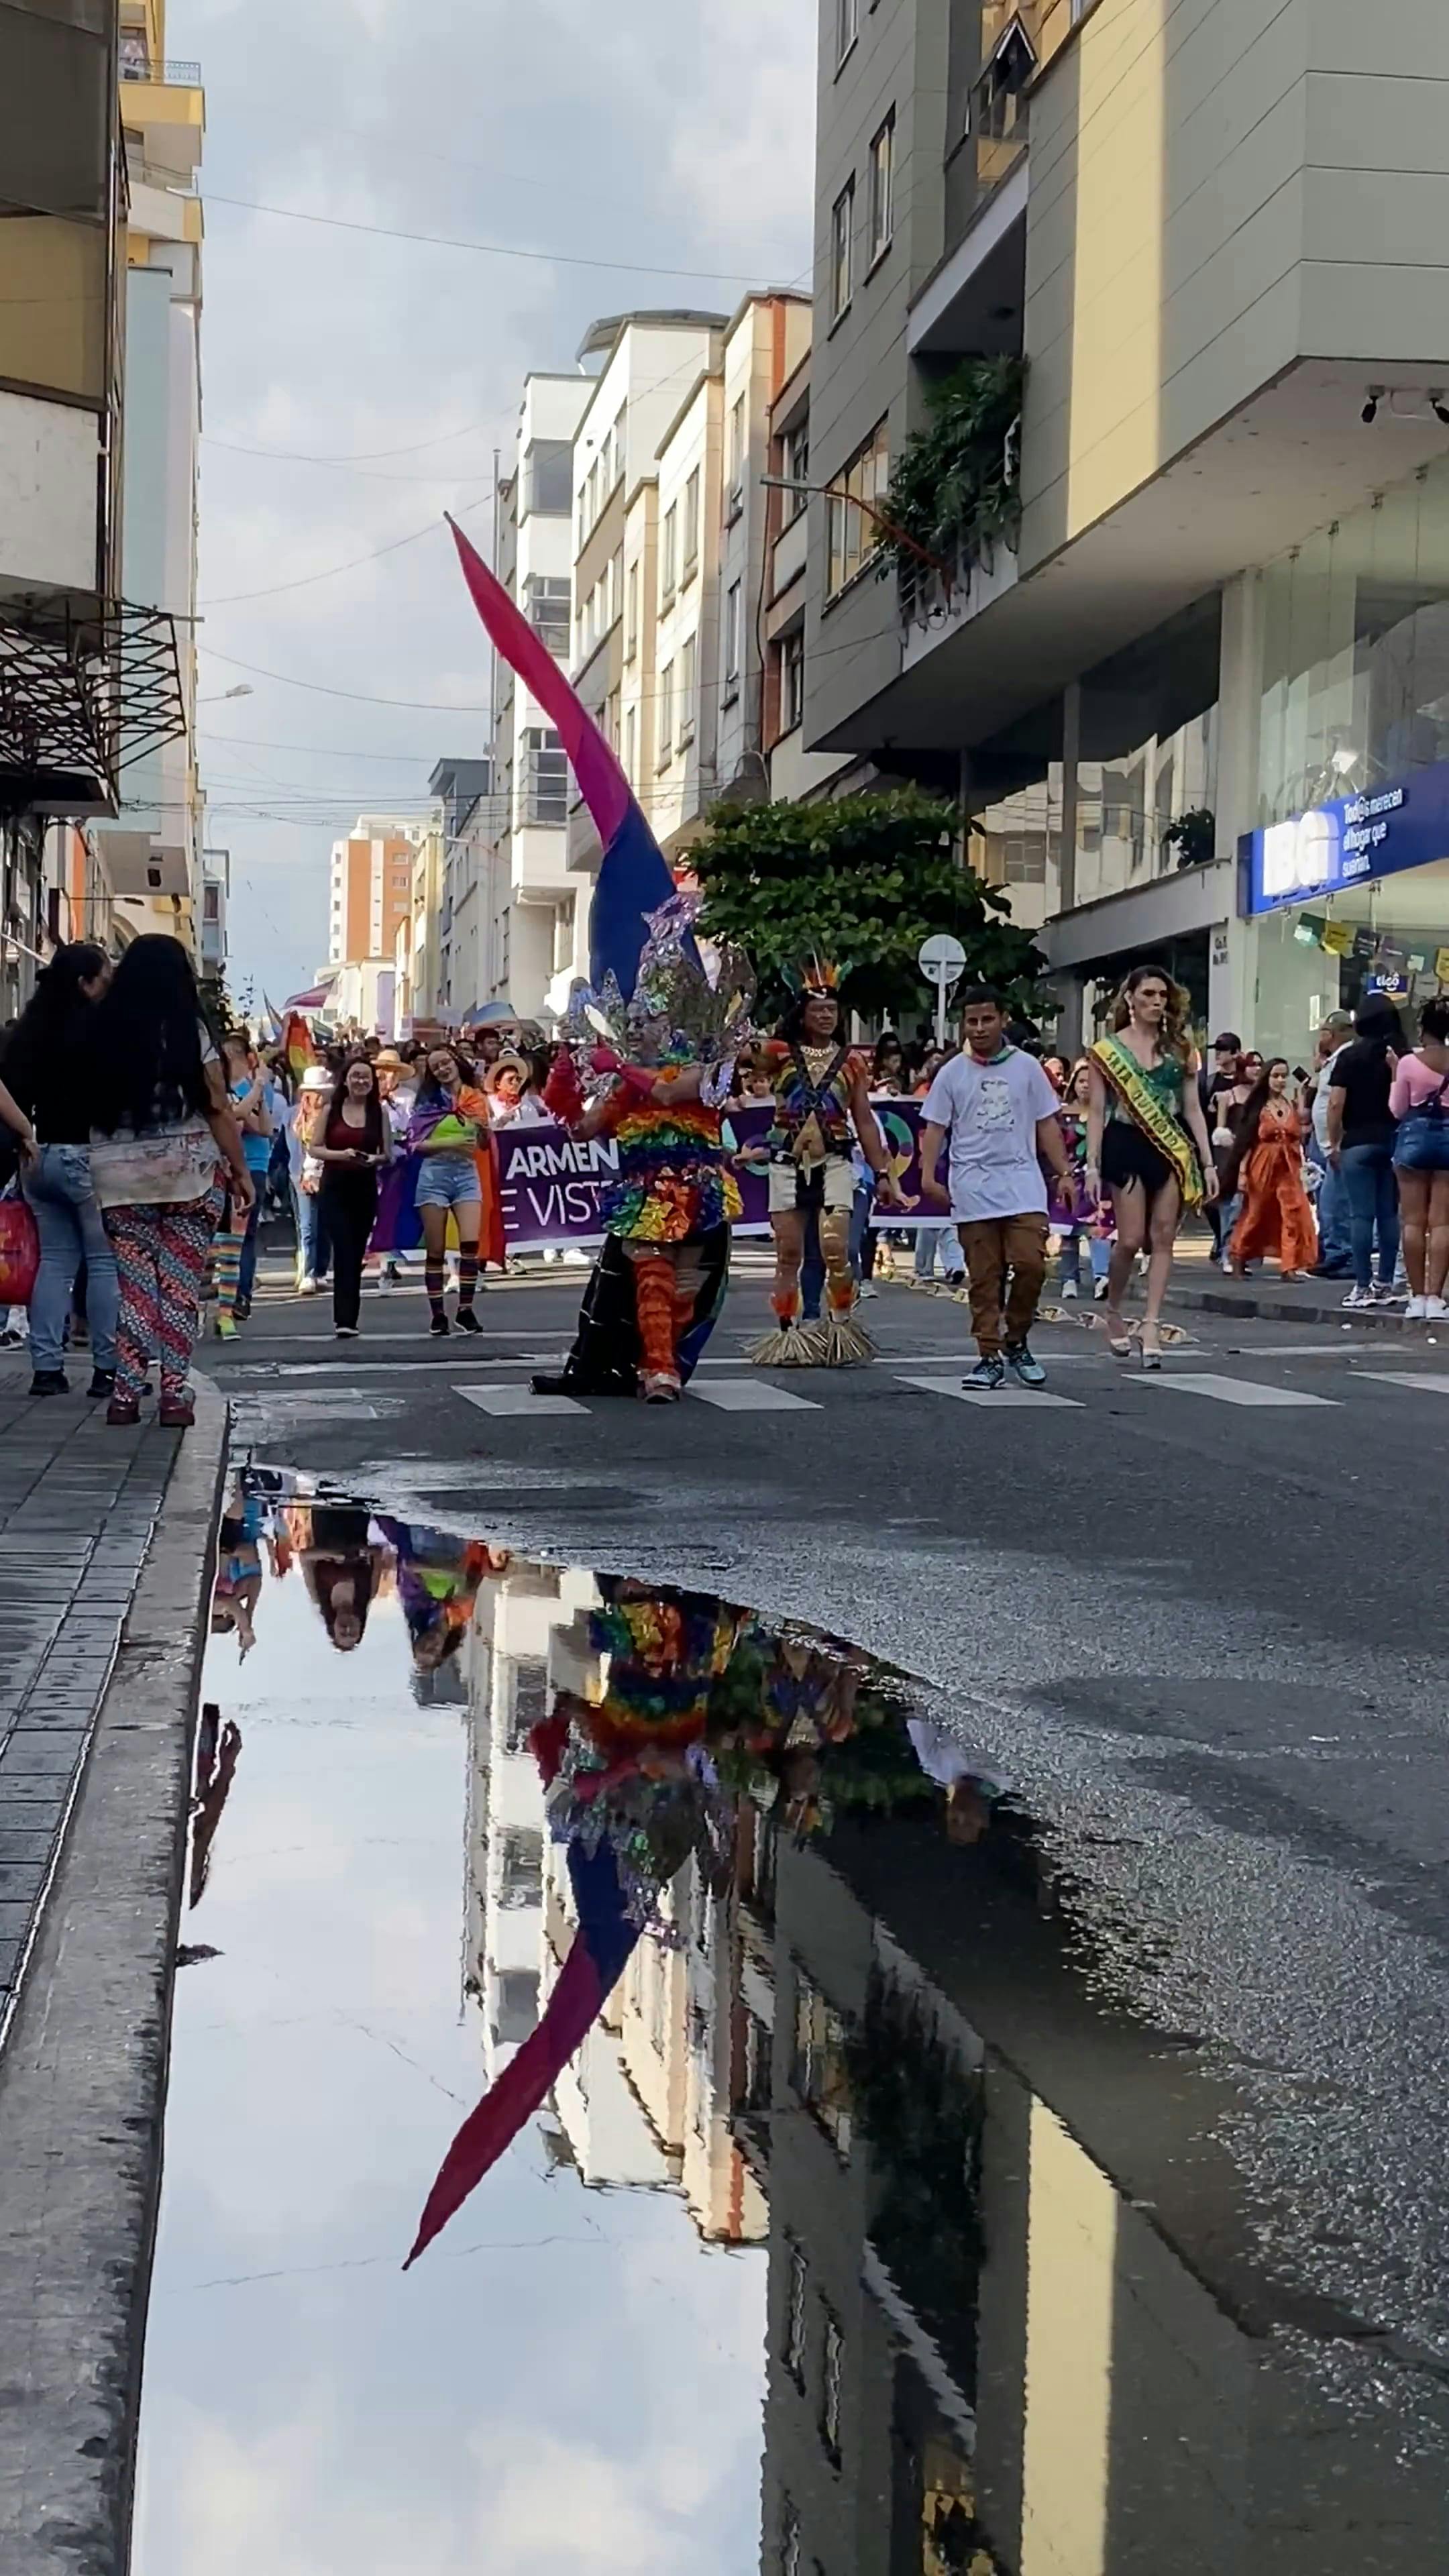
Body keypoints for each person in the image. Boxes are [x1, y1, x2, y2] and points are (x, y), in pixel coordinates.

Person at [539, 894, 747, 1402]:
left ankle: (663, 1361)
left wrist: (619, 1067)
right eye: (637, 1021)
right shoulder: (624, 1085)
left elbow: (670, 1093)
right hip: (644, 1191)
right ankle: (658, 1371)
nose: (641, 1029)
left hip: (696, 1188)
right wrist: (563, 1080)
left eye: (650, 1020)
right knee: (650, 1275)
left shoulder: (704, 1068)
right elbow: (585, 1128)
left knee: (684, 1286)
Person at [83, 934, 251, 1428]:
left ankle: (125, 1396)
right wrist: (240, 1170)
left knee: (135, 1290)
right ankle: (174, 1395)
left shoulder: (101, 1029)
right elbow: (217, 1107)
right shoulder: (189, 1032)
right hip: (188, 1178)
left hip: (119, 1179)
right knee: (179, 1288)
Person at [918, 984, 1077, 1390]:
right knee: (984, 1278)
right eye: (971, 1021)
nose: (979, 1028)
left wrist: (1064, 1172)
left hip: (1022, 1183)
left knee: (1031, 1265)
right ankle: (989, 1356)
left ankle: (1016, 1339)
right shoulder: (952, 1072)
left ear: (1003, 1020)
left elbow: (1046, 1123)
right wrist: (928, 1177)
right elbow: (935, 1128)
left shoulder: (1027, 1068)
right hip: (971, 1187)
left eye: (987, 1019)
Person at [749, 963, 905, 1366]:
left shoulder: (852, 1062)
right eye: (818, 1010)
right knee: (788, 1253)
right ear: (802, 1014)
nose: (825, 1016)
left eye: (832, 1010)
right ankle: (789, 1335)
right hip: (787, 1163)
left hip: (835, 1160)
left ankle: (839, 1328)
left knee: (836, 1248)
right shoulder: (779, 1053)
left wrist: (882, 1173)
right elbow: (740, 1055)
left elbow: (864, 1119)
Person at [1085, 963, 1218, 1370]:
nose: (1157, 1002)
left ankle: (1151, 1323)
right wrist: (1092, 1165)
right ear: (1130, 998)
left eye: (1162, 996)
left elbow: (1192, 1108)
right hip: (1125, 1142)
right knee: (1129, 1240)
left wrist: (1208, 1162)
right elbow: (1097, 1110)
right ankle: (1113, 1309)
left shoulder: (1180, 1049)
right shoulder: (1107, 1051)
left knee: (1163, 1237)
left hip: (1170, 1146)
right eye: (1148, 995)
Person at [0, 941, 118, 1398]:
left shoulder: (30, 1031)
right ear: (85, 983)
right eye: (104, 977)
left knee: (54, 1261)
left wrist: (25, 1134)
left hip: (37, 1155)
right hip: (85, 1155)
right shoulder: (99, 1030)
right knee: (102, 1261)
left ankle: (46, 1369)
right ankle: (107, 1370)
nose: (108, 985)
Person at [407, 1043, 498, 1336]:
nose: (443, 1069)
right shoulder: (428, 1103)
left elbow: (483, 1144)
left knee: (470, 1245)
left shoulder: (476, 1099)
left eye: (445, 1063)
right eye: (436, 1067)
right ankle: (438, 1315)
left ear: (457, 1062)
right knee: (435, 1249)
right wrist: (449, 1143)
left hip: (466, 1174)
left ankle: (465, 1310)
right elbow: (414, 1144)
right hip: (434, 1176)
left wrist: (484, 1131)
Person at [1326, 998, 1405, 1311]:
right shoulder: (1401, 1055)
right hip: (1393, 1139)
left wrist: (1333, 1142)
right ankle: (1385, 1282)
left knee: (1361, 1215)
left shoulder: (1350, 1056)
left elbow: (1336, 1103)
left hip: (1357, 1141)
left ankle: (1362, 1285)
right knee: (1388, 1214)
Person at [308, 1059, 390, 1336]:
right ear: (345, 1080)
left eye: (366, 1077)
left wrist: (372, 1159)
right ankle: (343, 1319)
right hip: (334, 1186)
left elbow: (387, 1154)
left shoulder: (378, 1112)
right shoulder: (330, 1110)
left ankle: (349, 1317)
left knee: (355, 1253)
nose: (360, 1081)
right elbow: (315, 1148)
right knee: (343, 1248)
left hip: (364, 1187)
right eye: (355, 1076)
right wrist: (342, 1155)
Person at [1222, 1057, 1318, 1278]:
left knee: (1293, 1213)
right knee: (1256, 1213)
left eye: (1284, 1076)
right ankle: (1238, 1255)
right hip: (1262, 1165)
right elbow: (1246, 1142)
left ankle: (1289, 1266)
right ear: (1267, 1078)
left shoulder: (1290, 1105)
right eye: (1276, 1076)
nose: (1280, 1080)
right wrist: (1242, 1172)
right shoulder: (1258, 1107)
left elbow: (1300, 1133)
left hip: (1289, 1167)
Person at [1389, 996, 1449, 1320]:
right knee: (1442, 1222)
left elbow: (1397, 1109)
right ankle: (1436, 1298)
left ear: (1423, 1029)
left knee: (1413, 1221)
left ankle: (1416, 1297)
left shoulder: (1409, 1063)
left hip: (1414, 1138)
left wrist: (1394, 1074)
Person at [218, 1031, 273, 1329]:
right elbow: (234, 1113)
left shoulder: (249, 1087)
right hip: (222, 1171)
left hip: (250, 1169)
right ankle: (217, 1301)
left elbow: (264, 1128)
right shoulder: (219, 1089)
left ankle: (236, 1302)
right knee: (218, 1242)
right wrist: (258, 1087)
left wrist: (259, 1096)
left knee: (241, 1239)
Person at [1053, 1058, 1111, 1301]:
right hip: (1069, 1178)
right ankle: (1069, 1280)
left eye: (1091, 1082)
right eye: (1082, 1081)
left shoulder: (1107, 1115)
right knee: (1069, 1232)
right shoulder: (1062, 1114)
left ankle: (1101, 1278)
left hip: (1098, 1178)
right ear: (1074, 1084)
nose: (1086, 1086)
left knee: (1099, 1229)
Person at [1305, 1012, 1355, 1278]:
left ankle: (1342, 1254)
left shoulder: (1345, 1060)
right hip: (1324, 1142)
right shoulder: (1333, 1061)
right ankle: (1330, 1248)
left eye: (1324, 1032)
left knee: (1335, 1202)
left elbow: (1337, 1103)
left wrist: (1335, 1141)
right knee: (1326, 1201)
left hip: (1335, 1144)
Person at [290, 1067, 333, 1294]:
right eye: (314, 1092)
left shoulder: (333, 1115)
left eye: (322, 1092)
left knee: (324, 1225)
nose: (318, 1097)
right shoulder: (294, 1116)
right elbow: (285, 1147)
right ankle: (307, 1273)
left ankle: (321, 1271)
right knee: (307, 1226)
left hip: (327, 1174)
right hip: (301, 1175)